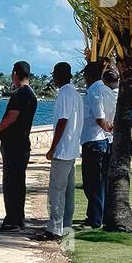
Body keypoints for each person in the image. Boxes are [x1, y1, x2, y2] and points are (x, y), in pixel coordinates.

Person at [33, 61, 84, 242]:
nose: (53, 78)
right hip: (71, 150)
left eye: (54, 74)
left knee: (56, 190)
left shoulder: (64, 94)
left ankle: (54, 229)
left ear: (60, 75)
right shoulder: (76, 94)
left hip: (63, 151)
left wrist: (52, 148)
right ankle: (65, 226)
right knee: (68, 191)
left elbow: (62, 121)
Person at [0, 61, 37, 232]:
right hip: (23, 143)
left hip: (14, 145)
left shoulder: (20, 94)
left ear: (15, 74)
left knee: (11, 184)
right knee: (19, 183)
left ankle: (12, 220)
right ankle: (18, 218)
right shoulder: (32, 95)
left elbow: (12, 117)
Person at [80, 60, 116, 228]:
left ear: (89, 75)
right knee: (99, 183)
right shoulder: (107, 91)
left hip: (94, 140)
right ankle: (95, 216)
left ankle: (95, 219)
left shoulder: (94, 91)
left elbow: (100, 117)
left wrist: (109, 129)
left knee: (92, 183)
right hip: (103, 141)